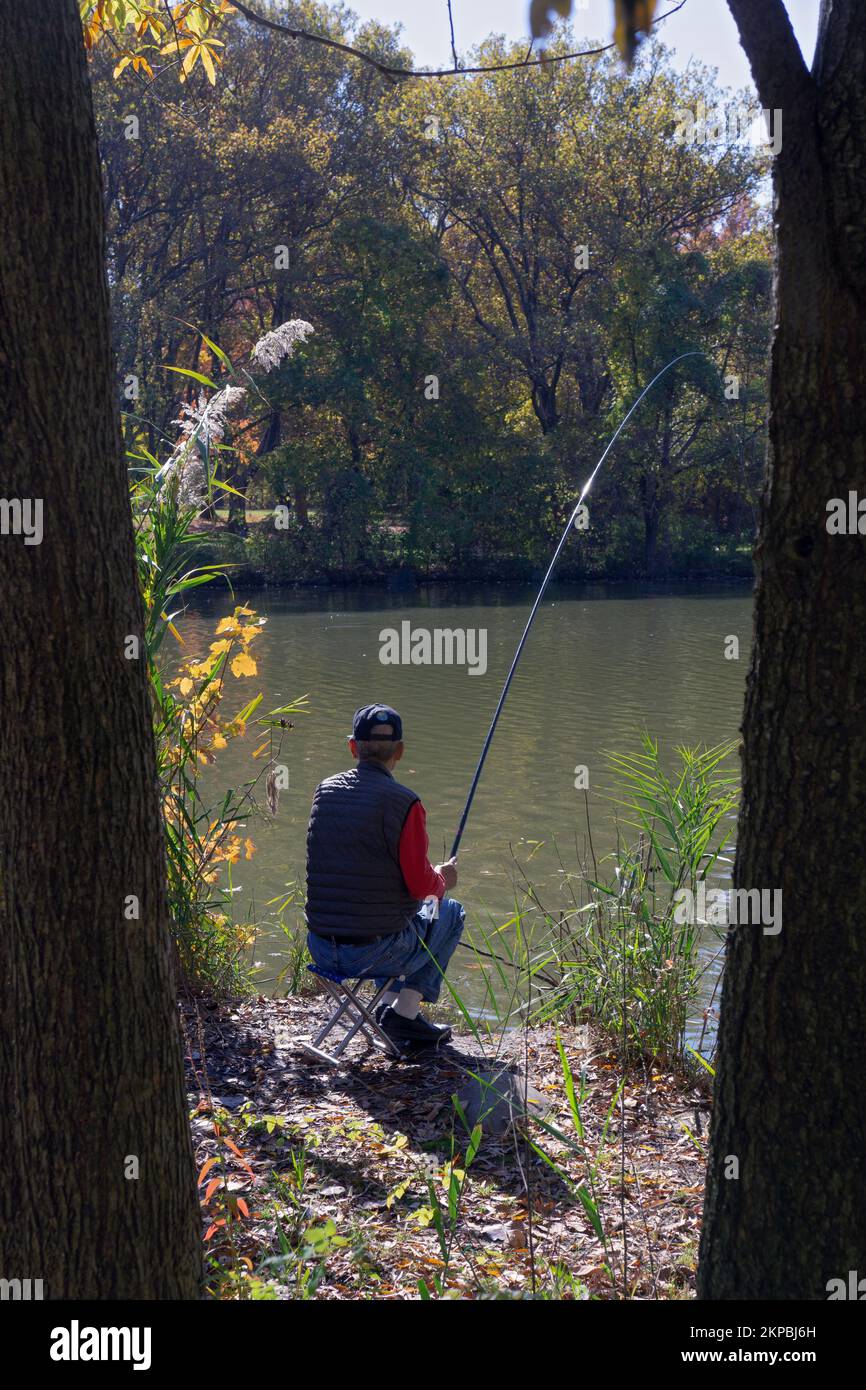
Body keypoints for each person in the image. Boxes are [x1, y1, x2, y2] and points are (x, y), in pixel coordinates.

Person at [305, 703, 465, 1049]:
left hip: (319, 948)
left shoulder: (324, 792)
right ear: (400, 751)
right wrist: (442, 878)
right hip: (372, 954)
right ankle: (403, 1014)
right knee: (448, 912)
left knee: (391, 917)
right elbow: (423, 887)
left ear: (352, 747)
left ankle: (391, 1007)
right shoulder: (405, 802)